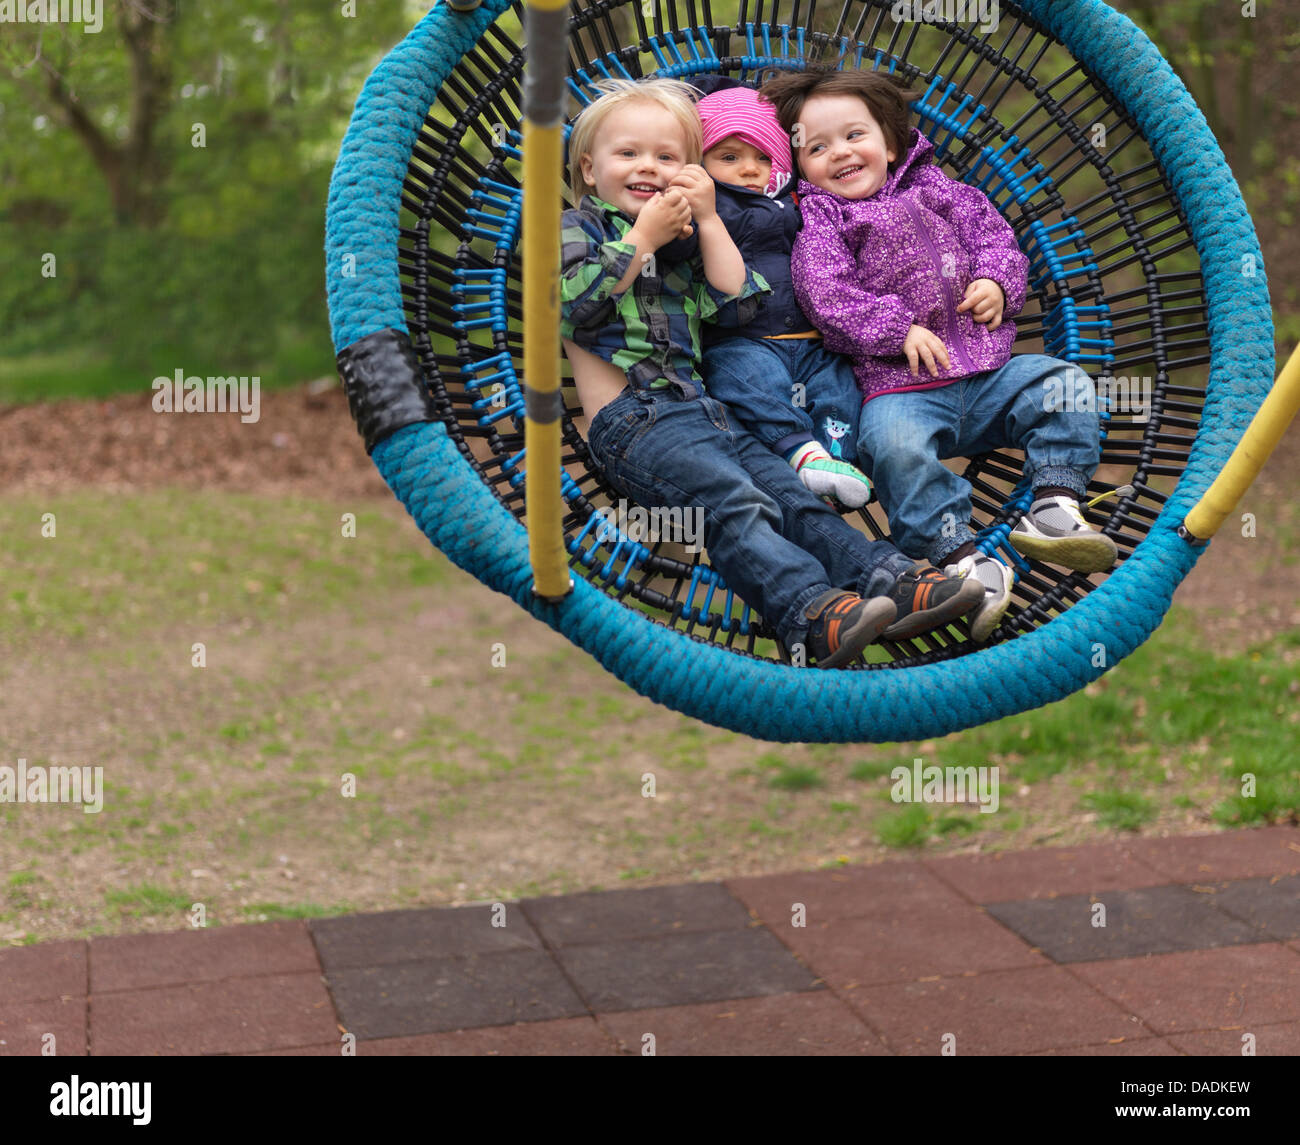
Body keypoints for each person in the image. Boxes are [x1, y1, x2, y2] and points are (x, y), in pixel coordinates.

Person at [559, 77, 982, 666]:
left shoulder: (682, 245)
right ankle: (806, 611)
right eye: (628, 154)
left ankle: (888, 578)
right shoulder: (577, 229)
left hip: (707, 411)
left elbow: (739, 301)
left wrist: (708, 220)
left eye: (668, 158)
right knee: (734, 501)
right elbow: (577, 302)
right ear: (587, 168)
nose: (648, 168)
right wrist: (642, 236)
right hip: (634, 424)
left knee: (787, 492)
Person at [762, 68, 1118, 641]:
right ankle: (964, 561)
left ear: (892, 141)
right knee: (893, 450)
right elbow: (823, 292)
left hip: (986, 375)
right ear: (799, 163)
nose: (840, 154)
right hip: (899, 390)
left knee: (1064, 384)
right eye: (817, 147)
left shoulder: (947, 193)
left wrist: (998, 285)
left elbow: (998, 242)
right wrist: (896, 328)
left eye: (855, 136)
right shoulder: (823, 221)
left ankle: (1053, 504)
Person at [692, 78, 873, 509]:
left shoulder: (800, 202)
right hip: (743, 338)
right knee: (747, 383)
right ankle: (800, 452)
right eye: (729, 157)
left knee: (839, 392)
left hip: (813, 342)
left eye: (762, 156)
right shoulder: (707, 206)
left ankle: (836, 465)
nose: (749, 169)